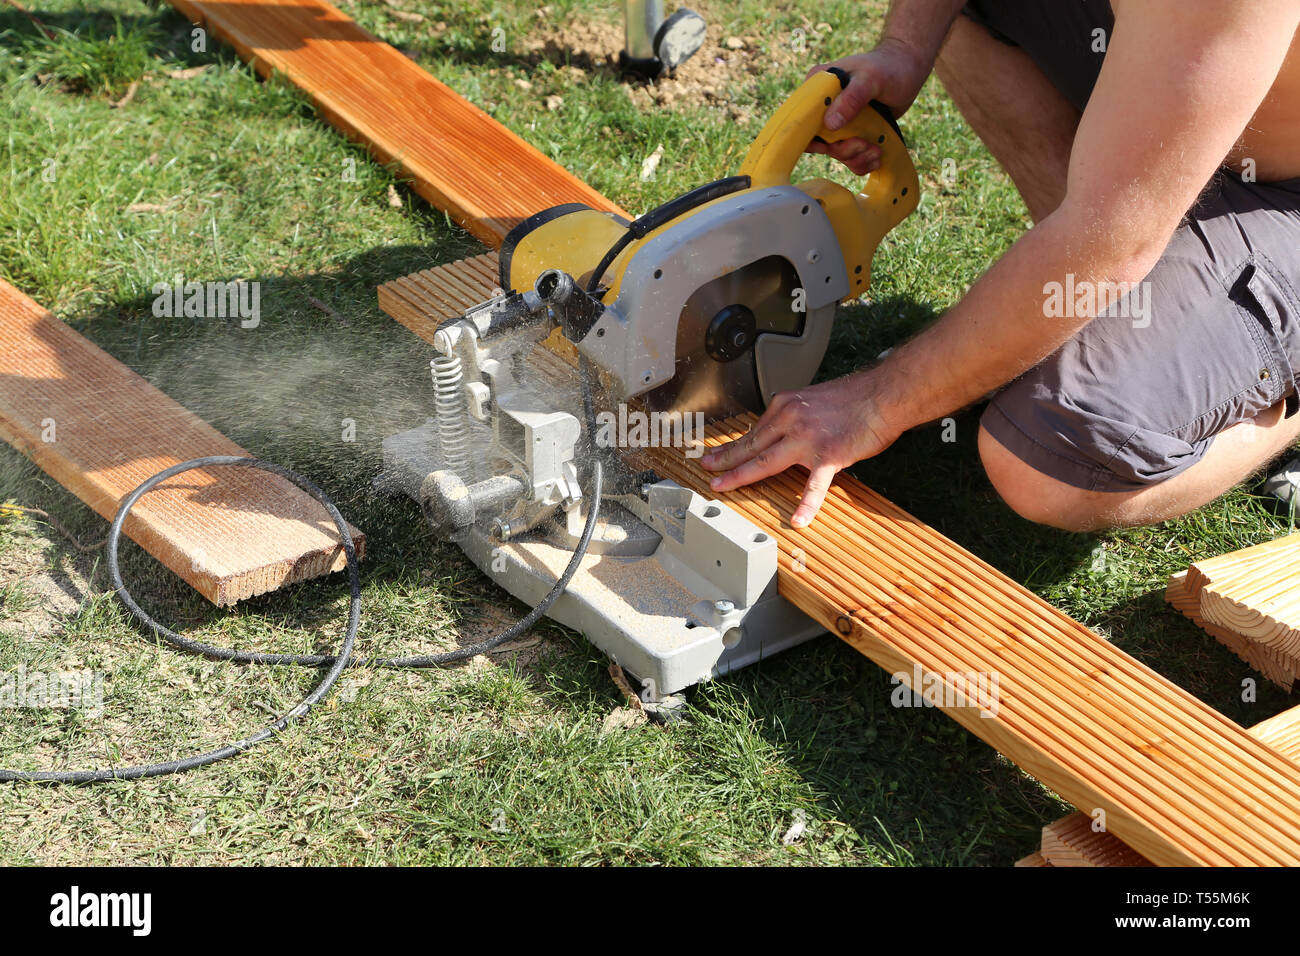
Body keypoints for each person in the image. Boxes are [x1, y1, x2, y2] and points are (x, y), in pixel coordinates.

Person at [701, 0, 1300, 531]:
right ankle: (1105, 297)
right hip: (1202, 97)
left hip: (1284, 190)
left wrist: (878, 401)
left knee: (1050, 454)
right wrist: (903, 49)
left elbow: (1112, 239)